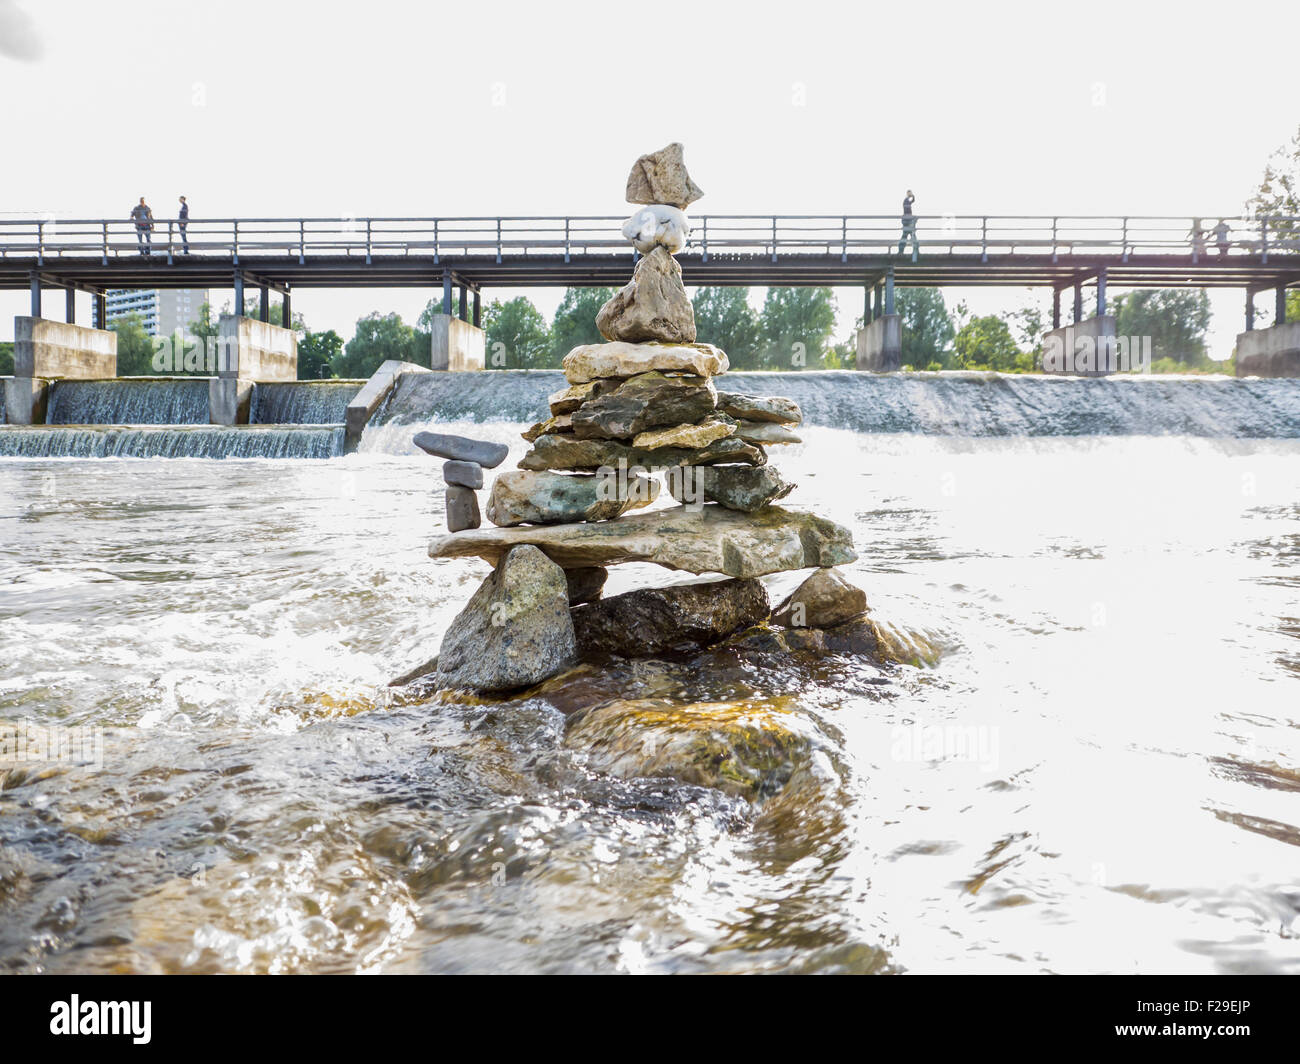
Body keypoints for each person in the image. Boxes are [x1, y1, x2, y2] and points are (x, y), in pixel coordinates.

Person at [898, 189, 918, 258]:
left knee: (906, 236)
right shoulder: (906, 201)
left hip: (908, 220)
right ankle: (915, 250)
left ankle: (901, 251)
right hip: (907, 221)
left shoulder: (907, 201)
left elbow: (913, 200)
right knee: (909, 236)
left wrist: (913, 196)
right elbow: (907, 210)